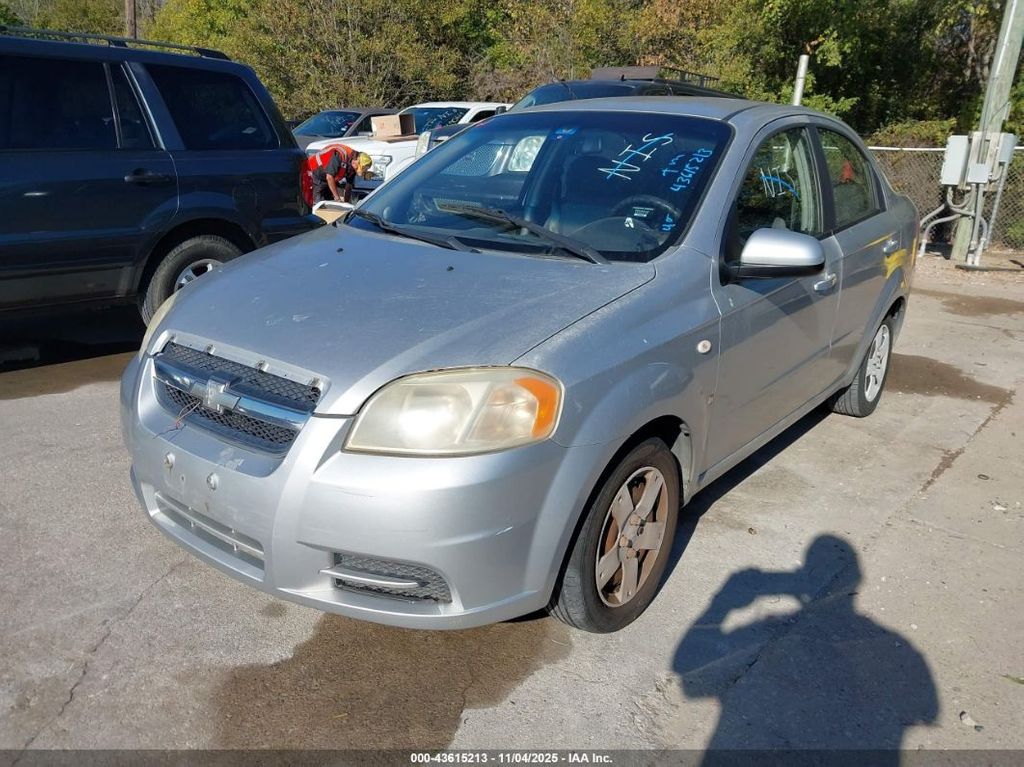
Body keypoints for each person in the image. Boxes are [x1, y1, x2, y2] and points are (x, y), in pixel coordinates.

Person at [307, 145, 372, 204]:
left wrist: (346, 204)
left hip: (326, 178)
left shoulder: (352, 167)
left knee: (329, 202)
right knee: (320, 203)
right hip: (314, 172)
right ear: (356, 161)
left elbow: (348, 187)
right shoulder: (339, 155)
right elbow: (329, 177)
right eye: (363, 168)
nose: (363, 171)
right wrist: (338, 199)